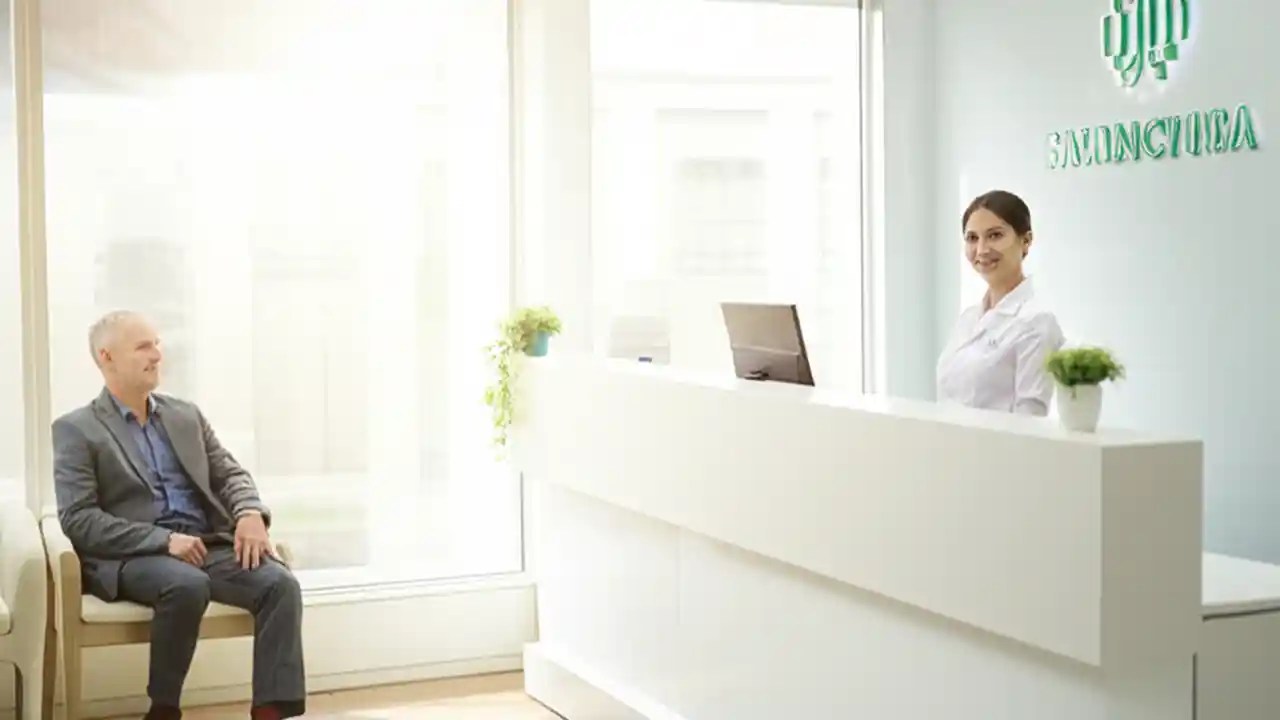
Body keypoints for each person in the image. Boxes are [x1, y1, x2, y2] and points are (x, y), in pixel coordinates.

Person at [52, 310, 305, 720]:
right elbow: (78, 519)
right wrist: (164, 541)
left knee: (279, 584)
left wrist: (250, 513)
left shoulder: (185, 415)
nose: (157, 354)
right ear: (107, 357)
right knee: (186, 585)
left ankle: (271, 712)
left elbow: (230, 473)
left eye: (157, 343)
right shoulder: (76, 429)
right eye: (143, 346)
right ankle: (164, 708)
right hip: (137, 555)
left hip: (205, 543)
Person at [936, 190, 1065, 416]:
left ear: (1026, 241)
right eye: (972, 238)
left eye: (995, 235)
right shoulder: (968, 318)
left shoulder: (1037, 323)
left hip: (996, 451)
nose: (982, 249)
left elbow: (1030, 421)